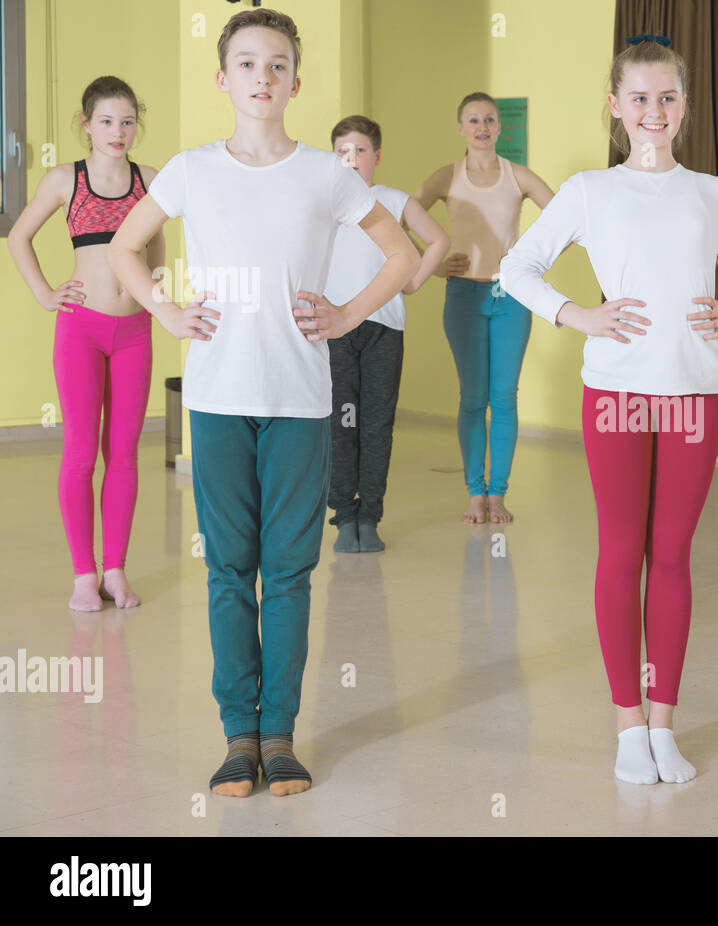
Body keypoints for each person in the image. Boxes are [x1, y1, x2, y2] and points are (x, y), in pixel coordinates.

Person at [107, 8, 419, 797]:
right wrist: (165, 307)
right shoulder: (188, 170)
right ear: (224, 78)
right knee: (227, 571)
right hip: (217, 398)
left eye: (277, 65)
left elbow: (403, 252)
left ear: (295, 81)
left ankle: (278, 734)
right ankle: (234, 736)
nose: (262, 78)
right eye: (247, 64)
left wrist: (348, 315)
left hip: (299, 401)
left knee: (287, 573)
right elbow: (122, 244)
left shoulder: (327, 174)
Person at [500, 36, 718, 784]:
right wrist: (576, 314)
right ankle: (627, 726)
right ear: (616, 107)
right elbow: (515, 267)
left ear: (684, 105)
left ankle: (664, 724)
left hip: (694, 396)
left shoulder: (712, 193)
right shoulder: (589, 191)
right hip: (617, 395)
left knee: (675, 558)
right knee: (622, 554)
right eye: (641, 98)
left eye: (669, 97)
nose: (655, 111)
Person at [7, 76, 163, 612]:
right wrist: (46, 294)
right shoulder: (63, 179)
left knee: (122, 454)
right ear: (86, 124)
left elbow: (157, 245)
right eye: (106, 121)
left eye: (127, 121)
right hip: (81, 329)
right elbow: (18, 236)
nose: (118, 131)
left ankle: (115, 571)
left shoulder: (151, 179)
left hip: (133, 333)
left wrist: (158, 296)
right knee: (79, 454)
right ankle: (82, 574)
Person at [415, 93, 554, 524]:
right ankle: (475, 493)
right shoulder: (447, 176)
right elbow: (400, 218)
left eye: (489, 119)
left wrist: (531, 260)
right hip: (464, 295)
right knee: (474, 398)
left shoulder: (517, 176)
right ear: (461, 128)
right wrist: (433, 264)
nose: (482, 126)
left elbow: (564, 216)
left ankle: (498, 495)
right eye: (473, 120)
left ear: (499, 127)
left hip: (511, 297)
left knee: (505, 397)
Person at [325, 115, 450, 552]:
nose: (352, 159)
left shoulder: (393, 201)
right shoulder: (326, 204)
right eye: (343, 151)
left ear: (376, 158)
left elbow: (438, 240)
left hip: (384, 329)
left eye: (360, 151)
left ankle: (370, 515)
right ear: (332, 157)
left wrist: (412, 282)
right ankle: (343, 516)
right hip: (335, 329)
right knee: (342, 422)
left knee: (376, 424)